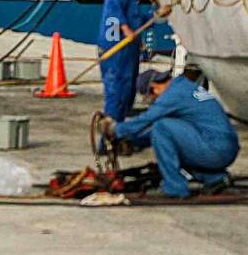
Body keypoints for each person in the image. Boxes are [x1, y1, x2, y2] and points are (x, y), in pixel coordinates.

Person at [100, 69, 240, 198]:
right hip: (222, 147)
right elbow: (174, 134)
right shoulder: (184, 87)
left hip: (215, 150)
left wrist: (115, 129)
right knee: (166, 131)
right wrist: (135, 142)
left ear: (154, 87)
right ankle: (215, 178)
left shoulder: (172, 95)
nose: (154, 101)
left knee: (162, 128)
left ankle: (175, 188)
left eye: (151, 97)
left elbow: (147, 120)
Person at [96, 0, 165, 123]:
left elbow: (136, 18)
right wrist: (125, 28)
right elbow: (113, 6)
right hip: (117, 50)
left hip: (127, 51)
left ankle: (119, 130)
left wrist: (157, 14)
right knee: (117, 92)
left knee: (127, 93)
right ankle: (110, 135)